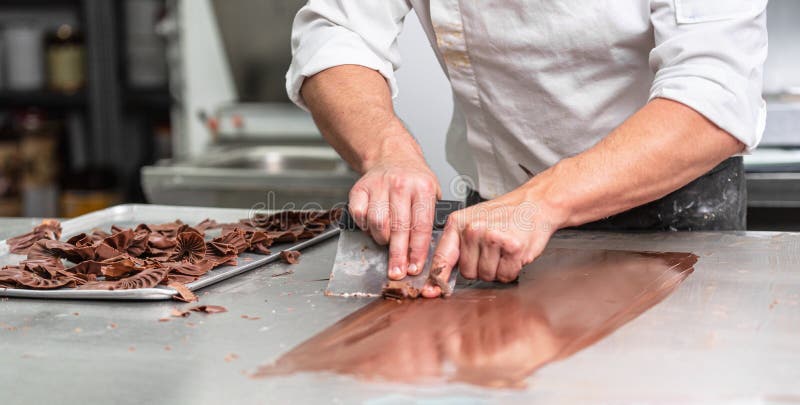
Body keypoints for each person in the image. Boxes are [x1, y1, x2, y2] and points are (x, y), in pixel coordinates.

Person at [286, 1, 768, 297]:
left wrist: (545, 201)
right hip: (490, 233)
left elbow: (714, 90)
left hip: (671, 232)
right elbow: (337, 31)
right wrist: (386, 149)